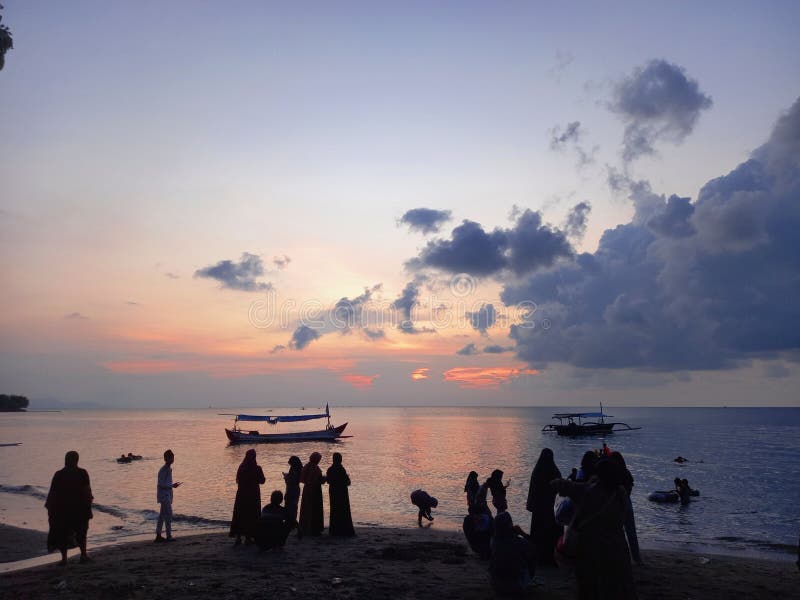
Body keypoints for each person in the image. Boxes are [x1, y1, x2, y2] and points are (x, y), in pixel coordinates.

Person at [552, 459, 638, 600]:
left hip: (590, 547)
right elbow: (627, 521)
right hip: (617, 547)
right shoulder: (621, 494)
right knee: (616, 587)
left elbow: (559, 485)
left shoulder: (588, 490)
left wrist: (573, 479)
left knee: (588, 587)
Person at [46, 450, 93, 565]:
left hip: (63, 509)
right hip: (79, 508)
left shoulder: (59, 474)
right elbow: (87, 491)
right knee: (81, 533)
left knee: (63, 533)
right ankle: (83, 555)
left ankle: (64, 559)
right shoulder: (82, 473)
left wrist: (50, 507)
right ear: (77, 460)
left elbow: (52, 493)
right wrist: (89, 506)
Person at [527, 448, 563, 565]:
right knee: (550, 532)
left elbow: (533, 490)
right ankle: (549, 557)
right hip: (549, 508)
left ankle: (538, 556)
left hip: (538, 508)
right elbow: (560, 485)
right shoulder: (553, 470)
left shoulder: (537, 471)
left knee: (538, 532)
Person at [489, 511, 535, 596]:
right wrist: (522, 533)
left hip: (496, 586)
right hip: (517, 586)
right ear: (510, 525)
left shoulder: (493, 541)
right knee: (531, 554)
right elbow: (533, 548)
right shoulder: (519, 542)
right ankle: (526, 580)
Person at [609, 451, 642, 565]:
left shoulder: (611, 473)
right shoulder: (626, 472)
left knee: (616, 532)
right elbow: (630, 488)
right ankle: (637, 558)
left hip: (616, 504)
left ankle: (618, 557)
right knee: (631, 532)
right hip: (627, 502)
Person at [230, 448, 266, 545]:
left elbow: (238, 480)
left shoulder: (241, 467)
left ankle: (238, 537)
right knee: (252, 515)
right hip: (253, 495)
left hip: (241, 495)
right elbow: (262, 481)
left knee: (240, 514)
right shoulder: (257, 468)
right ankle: (248, 537)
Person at [155, 449, 181, 542]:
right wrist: (172, 486)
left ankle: (158, 535)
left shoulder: (169, 469)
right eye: (170, 458)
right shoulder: (163, 470)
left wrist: (172, 485)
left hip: (167, 495)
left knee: (162, 515)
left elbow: (166, 483)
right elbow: (160, 484)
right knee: (168, 514)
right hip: (164, 495)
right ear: (165, 459)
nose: (172, 459)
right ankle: (168, 536)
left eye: (172, 457)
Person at [326, 452, 355, 537]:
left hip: (333, 491)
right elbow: (347, 482)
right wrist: (348, 479)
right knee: (343, 510)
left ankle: (334, 530)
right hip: (342, 492)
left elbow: (328, 481)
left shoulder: (330, 469)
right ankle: (344, 529)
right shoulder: (341, 469)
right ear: (340, 460)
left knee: (334, 510)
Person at [298, 451, 326, 537]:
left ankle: (304, 527)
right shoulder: (315, 468)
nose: (319, 461)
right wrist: (324, 478)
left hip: (307, 489)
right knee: (314, 508)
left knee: (306, 508)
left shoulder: (306, 466)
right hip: (315, 490)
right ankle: (314, 528)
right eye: (319, 459)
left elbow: (302, 478)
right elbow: (318, 480)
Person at [283, 455, 303, 528]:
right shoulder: (298, 469)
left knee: (289, 505)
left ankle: (290, 521)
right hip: (295, 489)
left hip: (292, 489)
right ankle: (292, 521)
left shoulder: (294, 470)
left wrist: (286, 478)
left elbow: (291, 481)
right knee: (293, 506)